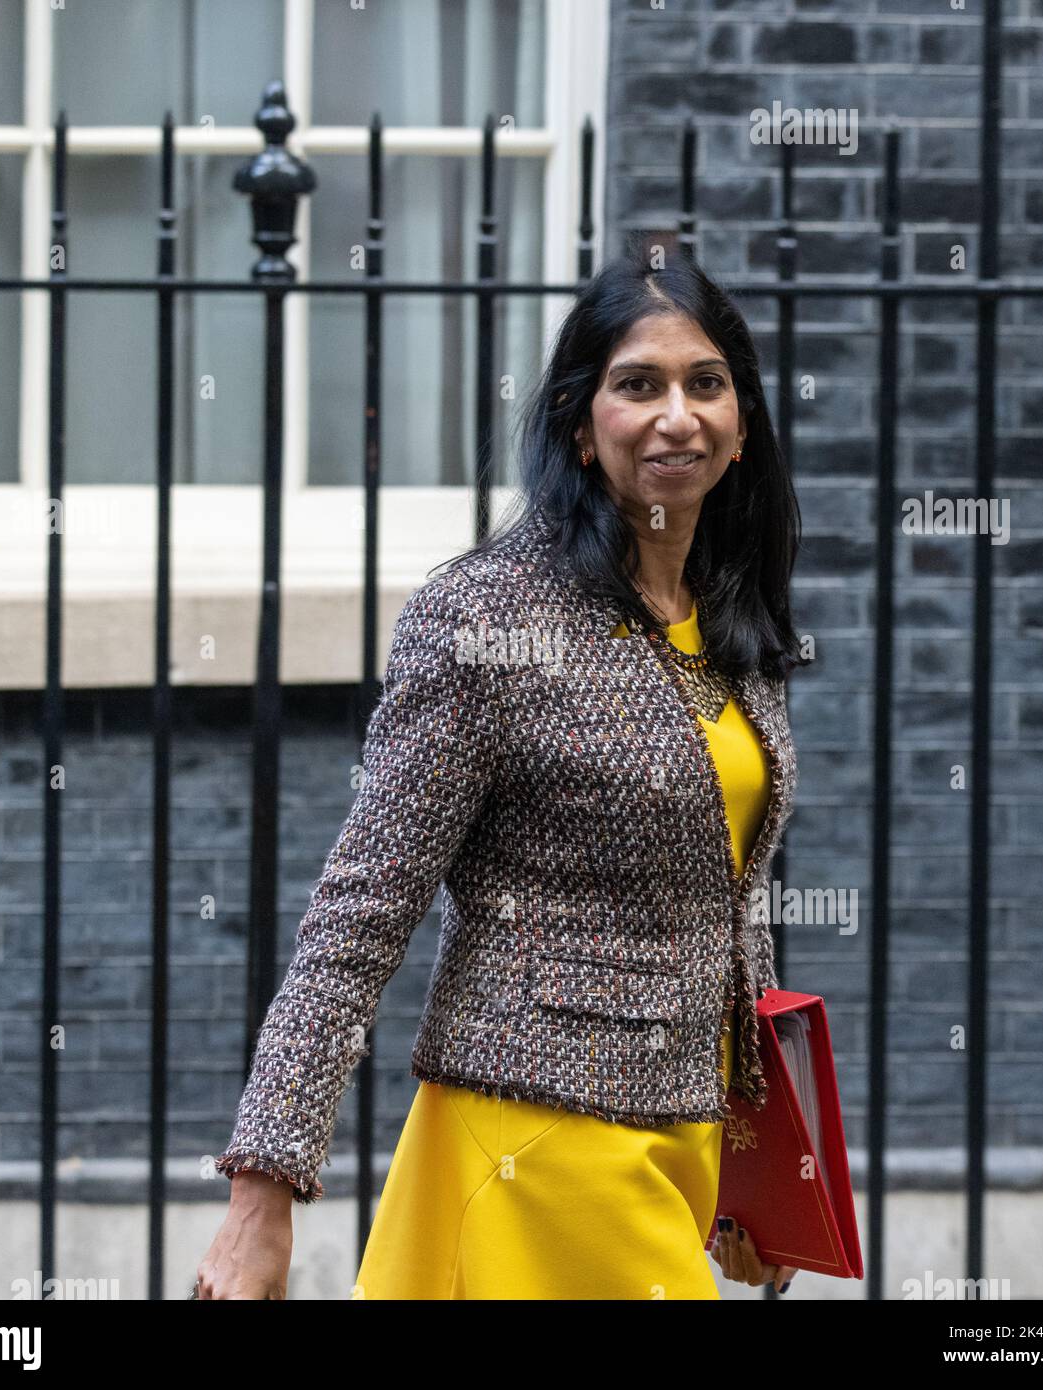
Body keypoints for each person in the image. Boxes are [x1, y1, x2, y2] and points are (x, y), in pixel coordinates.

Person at [194, 242, 808, 1299]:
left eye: (705, 384)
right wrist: (263, 1192)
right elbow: (361, 907)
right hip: (537, 1148)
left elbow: (721, 905)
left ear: (742, 425)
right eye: (636, 385)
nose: (676, 414)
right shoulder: (485, 618)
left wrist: (753, 1162)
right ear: (578, 424)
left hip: (678, 1142)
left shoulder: (725, 623)